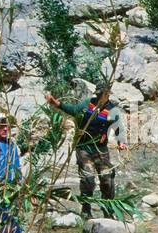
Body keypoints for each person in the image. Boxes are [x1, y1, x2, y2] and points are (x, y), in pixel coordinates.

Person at [45, 89, 120, 219]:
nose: (102, 97)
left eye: (105, 94)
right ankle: (86, 210)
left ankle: (108, 210)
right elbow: (73, 110)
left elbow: (118, 126)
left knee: (107, 178)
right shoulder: (87, 104)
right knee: (88, 179)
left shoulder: (111, 109)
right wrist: (57, 103)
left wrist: (121, 142)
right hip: (84, 148)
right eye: (101, 94)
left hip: (101, 150)